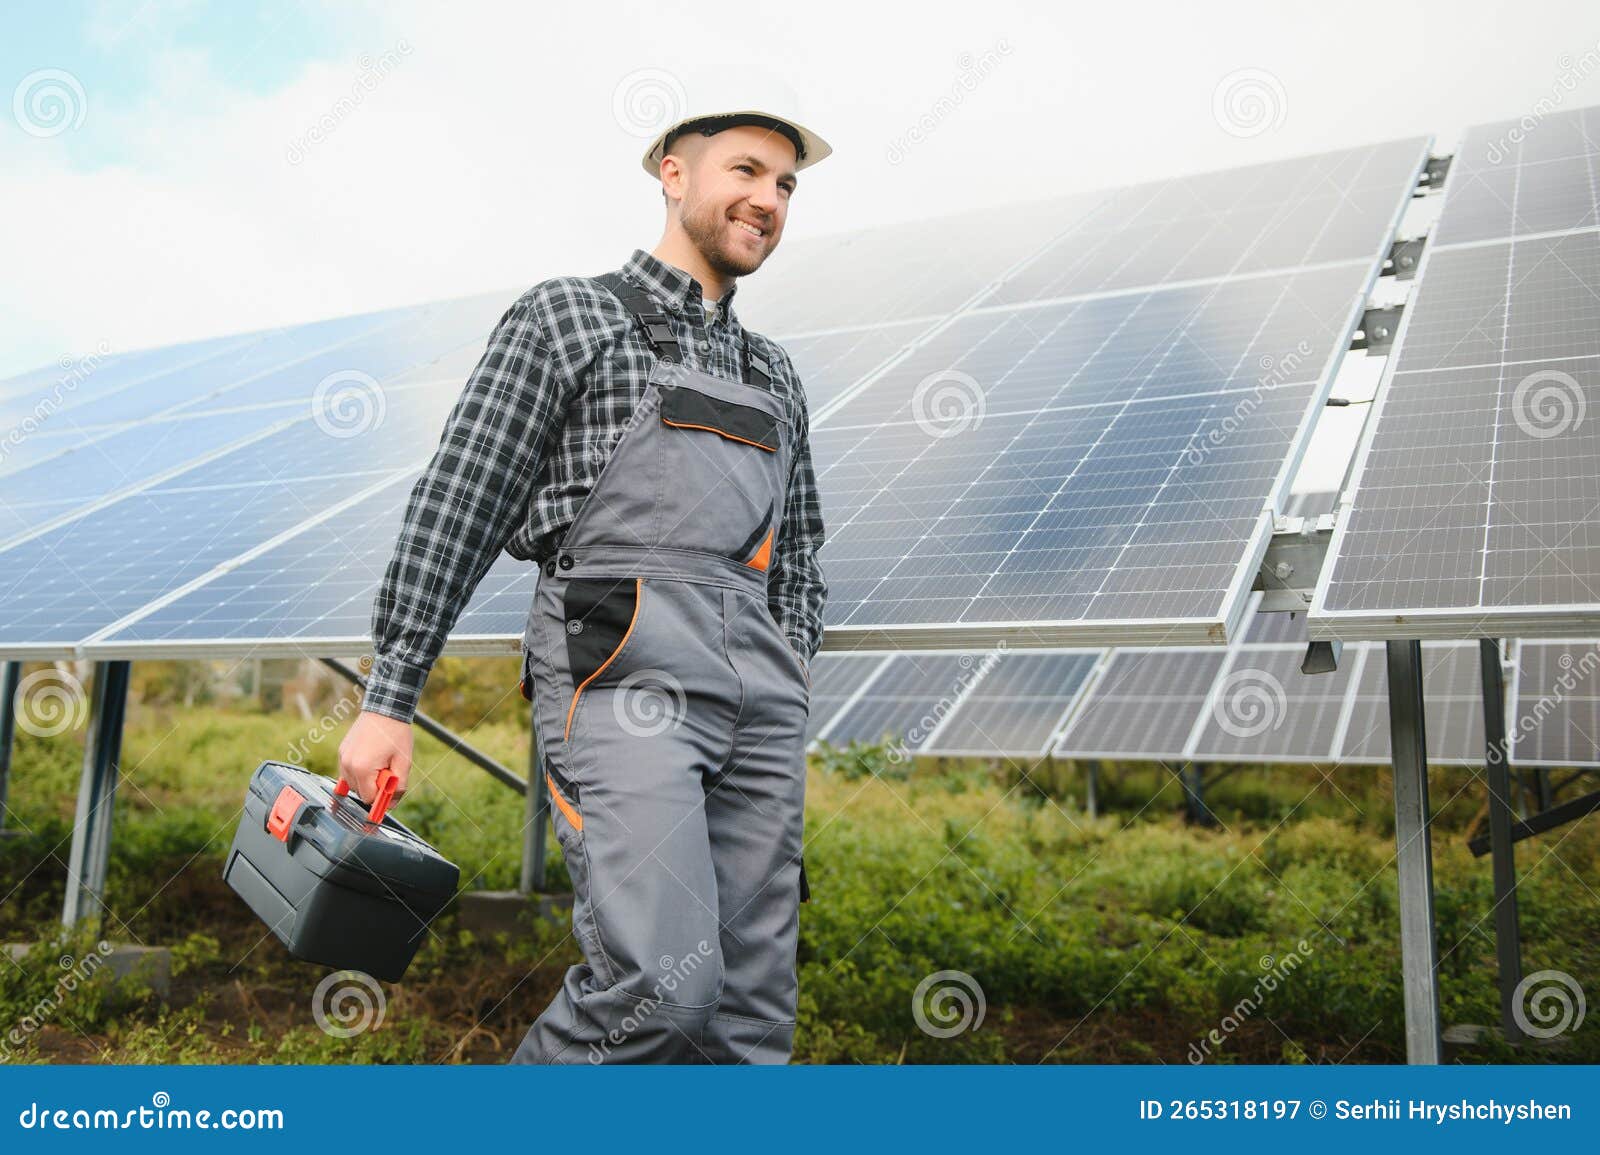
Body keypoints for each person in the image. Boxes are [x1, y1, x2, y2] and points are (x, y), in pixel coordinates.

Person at [337, 100, 831, 1064]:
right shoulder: (570, 314)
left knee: (753, 1014)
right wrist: (390, 696)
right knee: (664, 989)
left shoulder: (775, 371)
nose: (767, 199)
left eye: (785, 185)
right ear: (673, 175)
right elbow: (459, 502)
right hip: (621, 668)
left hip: (757, 696)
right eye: (744, 171)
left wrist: (787, 673)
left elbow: (803, 555)